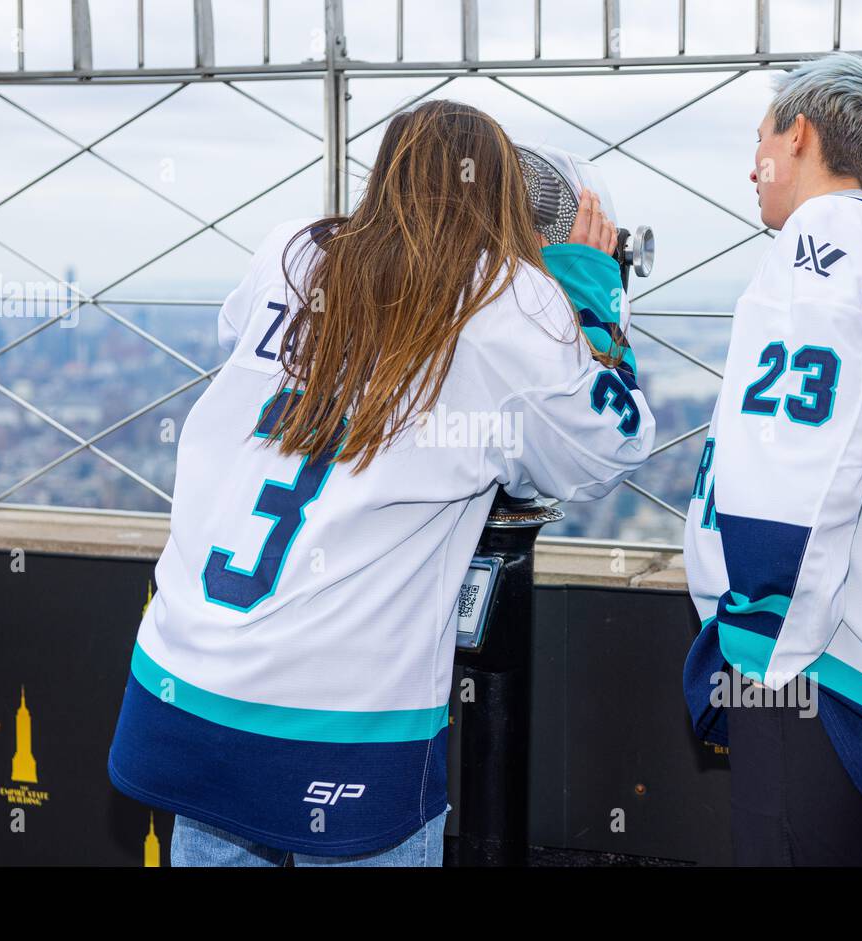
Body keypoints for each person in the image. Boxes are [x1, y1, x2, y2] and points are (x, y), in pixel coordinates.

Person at [107, 99, 655, 866]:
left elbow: (242, 347)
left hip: (182, 690)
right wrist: (587, 292)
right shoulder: (507, 300)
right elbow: (611, 445)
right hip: (339, 722)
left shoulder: (295, 249)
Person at [682, 52, 862, 865]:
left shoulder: (825, 241)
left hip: (807, 663)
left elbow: (799, 459)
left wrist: (755, 642)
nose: (753, 166)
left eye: (762, 139)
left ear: (798, 134)